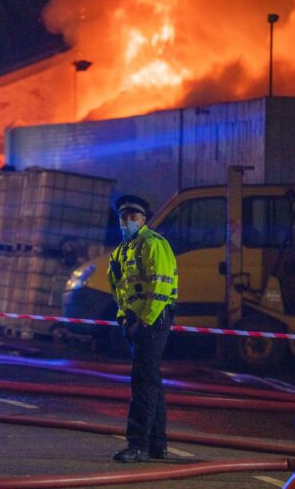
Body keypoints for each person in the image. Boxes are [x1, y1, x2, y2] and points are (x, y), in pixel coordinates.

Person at [109, 194, 178, 463]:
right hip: (137, 323)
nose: (127, 222)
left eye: (132, 217)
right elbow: (120, 289)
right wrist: (123, 317)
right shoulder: (122, 250)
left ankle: (136, 445)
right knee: (151, 382)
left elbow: (159, 288)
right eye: (123, 217)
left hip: (153, 321)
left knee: (143, 384)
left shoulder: (153, 244)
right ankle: (157, 445)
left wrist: (143, 322)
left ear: (144, 220)